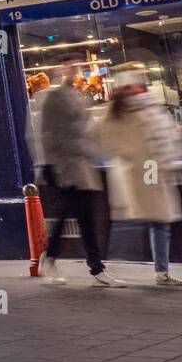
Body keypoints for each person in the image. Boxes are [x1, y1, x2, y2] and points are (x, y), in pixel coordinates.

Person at [34, 67, 125, 287]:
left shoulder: (74, 99)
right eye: (70, 68)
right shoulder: (51, 102)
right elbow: (47, 138)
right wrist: (54, 166)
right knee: (82, 218)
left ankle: (56, 260)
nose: (74, 72)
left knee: (78, 217)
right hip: (66, 169)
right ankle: (92, 268)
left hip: (79, 167)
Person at [100, 64, 182, 287]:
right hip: (142, 173)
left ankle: (158, 271)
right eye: (132, 86)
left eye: (138, 85)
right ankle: (114, 265)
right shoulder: (121, 113)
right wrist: (131, 155)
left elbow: (164, 135)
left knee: (154, 221)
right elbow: (105, 139)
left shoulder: (145, 106)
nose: (138, 89)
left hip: (155, 171)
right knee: (147, 220)